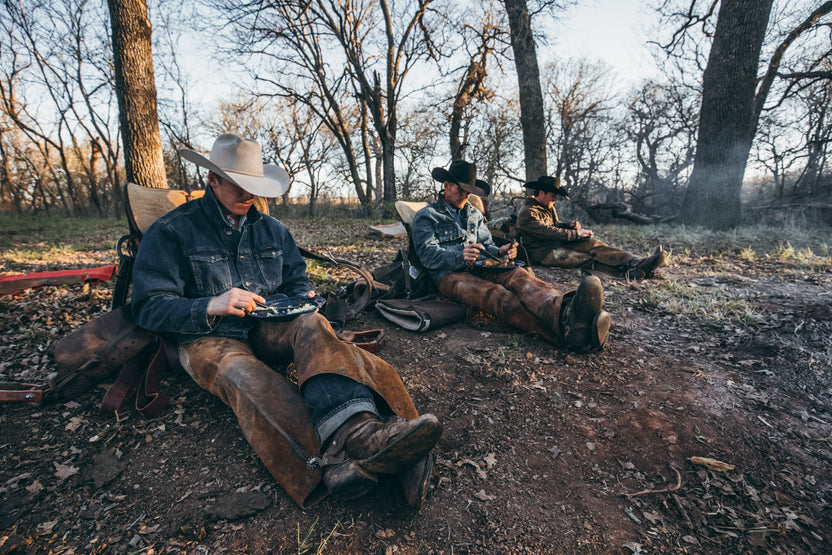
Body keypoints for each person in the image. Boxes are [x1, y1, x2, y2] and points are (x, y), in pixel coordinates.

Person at [131, 133, 442, 509]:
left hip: (267, 324)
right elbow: (147, 307)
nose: (249, 195)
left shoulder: (273, 230)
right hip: (205, 336)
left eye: (254, 187)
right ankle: (337, 462)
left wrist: (303, 299)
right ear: (212, 180)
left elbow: (296, 283)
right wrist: (211, 303)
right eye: (239, 185)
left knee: (315, 326)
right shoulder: (172, 231)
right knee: (242, 374)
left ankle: (366, 435)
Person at [411, 160, 611, 352]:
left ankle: (566, 310)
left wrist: (500, 251)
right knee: (497, 295)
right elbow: (427, 256)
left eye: (468, 190)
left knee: (520, 276)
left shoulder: (474, 214)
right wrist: (459, 255)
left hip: (482, 265)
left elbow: (487, 244)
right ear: (446, 185)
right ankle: (567, 334)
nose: (465, 194)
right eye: (460, 188)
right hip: (449, 276)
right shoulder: (426, 216)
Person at [516, 176, 668, 279]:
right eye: (552, 196)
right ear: (541, 193)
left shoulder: (547, 207)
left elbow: (555, 225)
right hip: (543, 252)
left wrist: (568, 225)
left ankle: (636, 262)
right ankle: (630, 273)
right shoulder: (527, 213)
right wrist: (577, 234)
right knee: (585, 259)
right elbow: (547, 232)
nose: (555, 200)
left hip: (558, 242)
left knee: (594, 244)